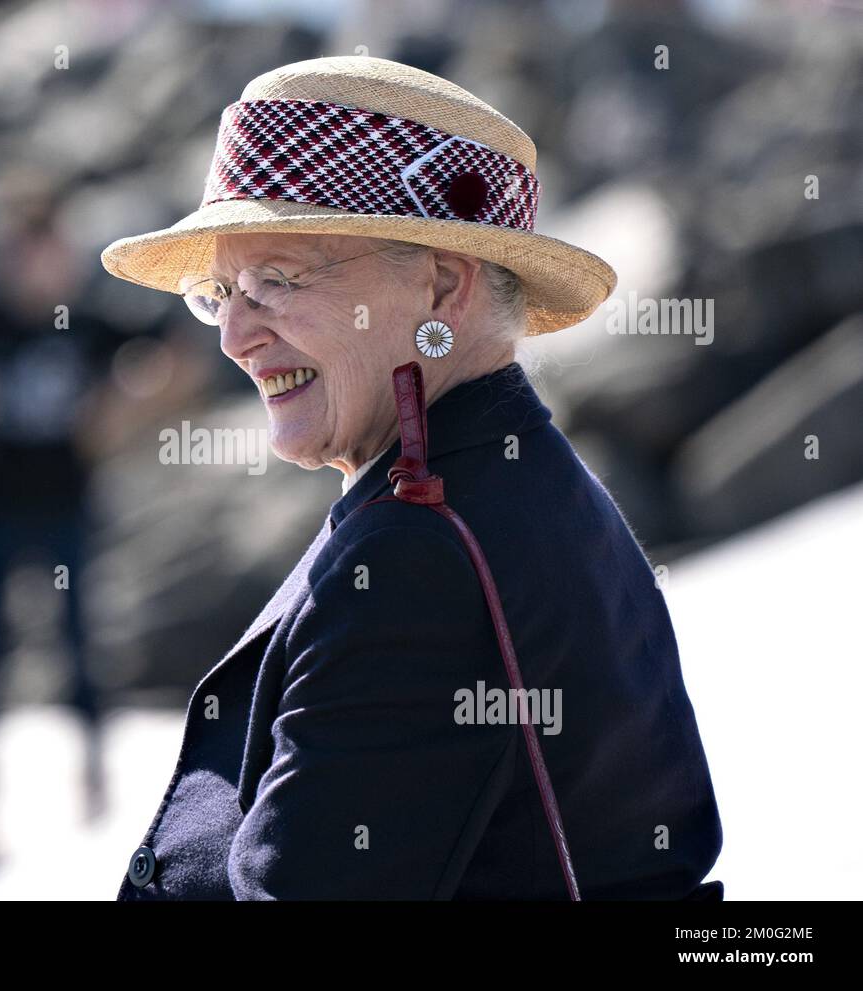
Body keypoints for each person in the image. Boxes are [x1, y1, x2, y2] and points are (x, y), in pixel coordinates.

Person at [99, 56, 722, 899]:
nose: (234, 336)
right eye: (220, 293)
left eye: (274, 282)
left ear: (439, 285)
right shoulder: (514, 483)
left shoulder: (419, 555)